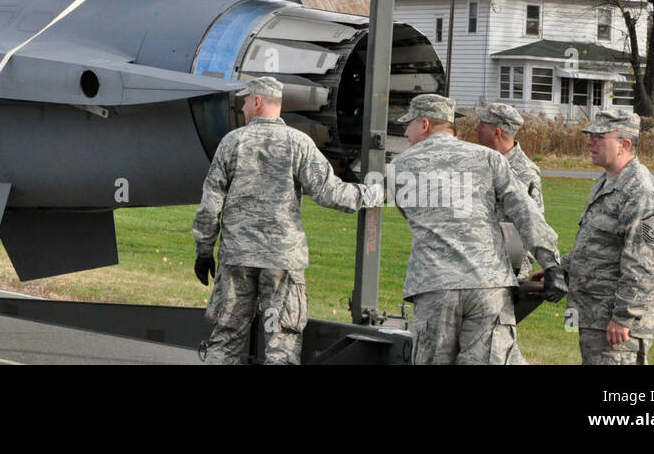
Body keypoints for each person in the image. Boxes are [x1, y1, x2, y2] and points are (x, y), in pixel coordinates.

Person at [191, 76, 383, 364]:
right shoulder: (298, 143)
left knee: (226, 338)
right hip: (281, 258)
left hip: (237, 257)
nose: (243, 107)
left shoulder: (232, 142)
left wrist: (204, 251)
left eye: (245, 101)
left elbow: (210, 204)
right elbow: (329, 193)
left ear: (257, 101)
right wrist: (371, 194)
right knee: (281, 341)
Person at [391, 93, 564, 365]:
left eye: (409, 124)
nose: (405, 131)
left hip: (436, 284)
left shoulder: (401, 165)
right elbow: (526, 212)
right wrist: (551, 262)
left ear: (424, 124)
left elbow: (409, 212)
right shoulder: (489, 158)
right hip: (489, 286)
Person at [563, 109, 654, 365]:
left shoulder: (642, 192)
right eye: (590, 135)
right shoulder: (607, 182)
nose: (590, 142)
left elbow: (647, 263)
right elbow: (597, 245)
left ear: (625, 144)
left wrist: (624, 317)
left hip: (619, 329)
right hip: (595, 317)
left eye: (599, 137)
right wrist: (561, 268)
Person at [474, 101, 544, 278]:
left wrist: (517, 268)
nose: (476, 129)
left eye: (482, 125)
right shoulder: (481, 162)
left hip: (507, 267)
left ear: (496, 132)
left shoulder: (525, 172)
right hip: (477, 262)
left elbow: (533, 224)